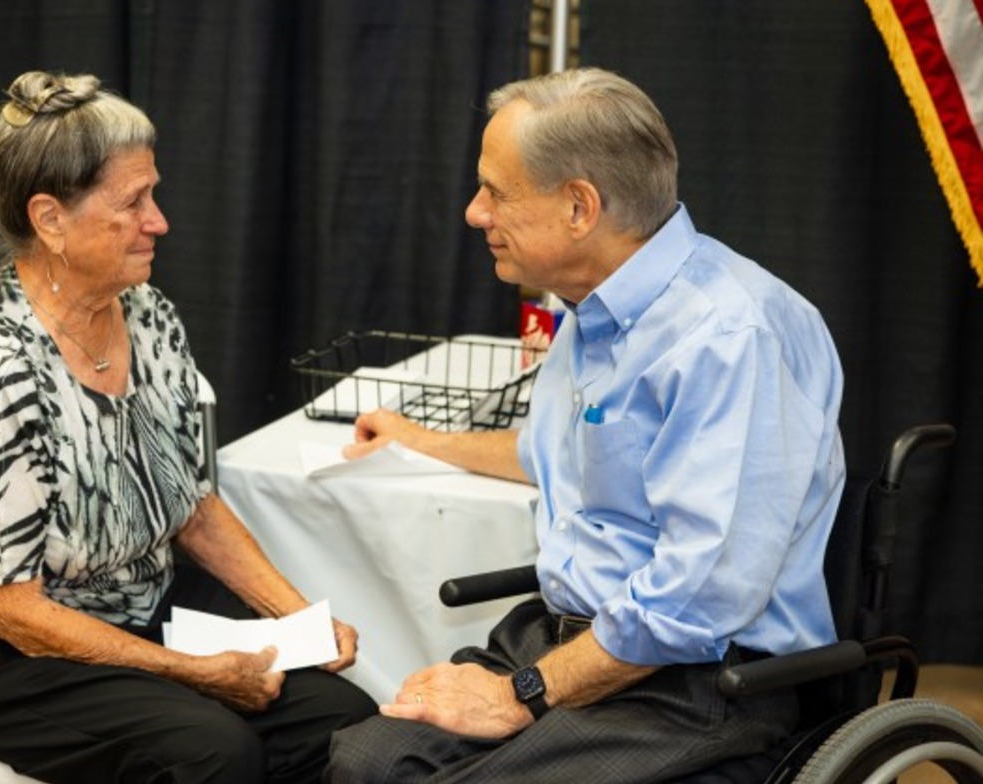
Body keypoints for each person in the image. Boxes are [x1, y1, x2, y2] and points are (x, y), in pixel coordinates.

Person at [324, 67, 845, 783]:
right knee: (364, 762)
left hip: (702, 679)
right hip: (573, 642)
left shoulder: (728, 336)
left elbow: (701, 595)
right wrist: (419, 439)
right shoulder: (592, 307)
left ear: (579, 207)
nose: (475, 213)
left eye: (495, 193)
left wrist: (520, 694)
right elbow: (559, 455)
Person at [0, 70, 376, 784]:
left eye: (154, 193)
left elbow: (194, 509)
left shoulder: (147, 315)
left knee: (337, 716)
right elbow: (12, 610)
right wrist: (194, 673)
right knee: (213, 753)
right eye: (134, 202)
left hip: (138, 606)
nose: (160, 221)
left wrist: (300, 619)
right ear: (51, 219)